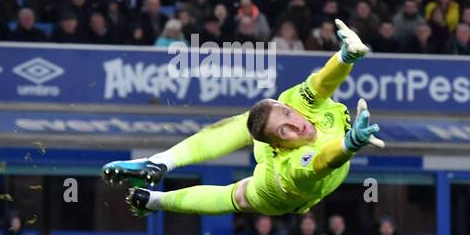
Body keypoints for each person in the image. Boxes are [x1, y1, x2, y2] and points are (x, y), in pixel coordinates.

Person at [103, 20, 384, 217]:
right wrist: (349, 145)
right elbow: (324, 160)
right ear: (279, 145)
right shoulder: (288, 169)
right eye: (284, 131)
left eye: (288, 115)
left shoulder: (295, 104)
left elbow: (322, 83)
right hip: (282, 192)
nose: (294, 124)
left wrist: (346, 57)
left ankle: (159, 167)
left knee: (252, 118)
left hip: (279, 141)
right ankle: (158, 200)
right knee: (236, 197)